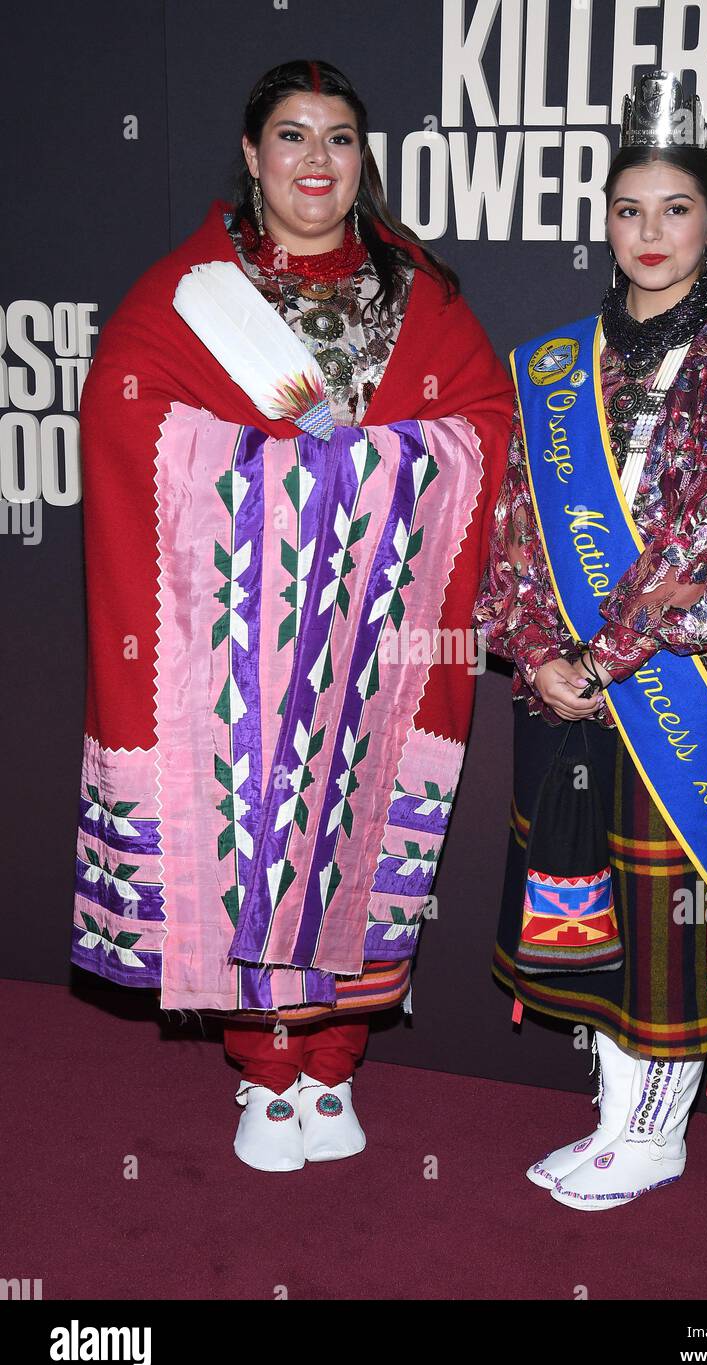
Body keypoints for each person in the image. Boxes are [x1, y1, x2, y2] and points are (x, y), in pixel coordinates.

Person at [73, 58, 513, 1172]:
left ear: (364, 161)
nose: (316, 160)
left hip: (379, 632)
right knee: (256, 836)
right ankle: (266, 1069)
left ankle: (335, 1058)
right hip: (239, 647)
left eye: (338, 138)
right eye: (292, 136)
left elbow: (482, 424)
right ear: (253, 156)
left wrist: (362, 474)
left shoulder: (420, 291)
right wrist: (289, 481)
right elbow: (128, 413)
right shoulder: (194, 291)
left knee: (358, 830)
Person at [473, 70, 707, 1210]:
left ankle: (657, 1132)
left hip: (685, 688)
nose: (649, 232)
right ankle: (619, 1117)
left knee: (673, 912)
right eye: (627, 209)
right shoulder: (556, 364)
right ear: (602, 223)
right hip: (568, 688)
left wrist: (600, 661)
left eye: (674, 208)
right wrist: (533, 649)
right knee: (601, 905)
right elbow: (517, 524)